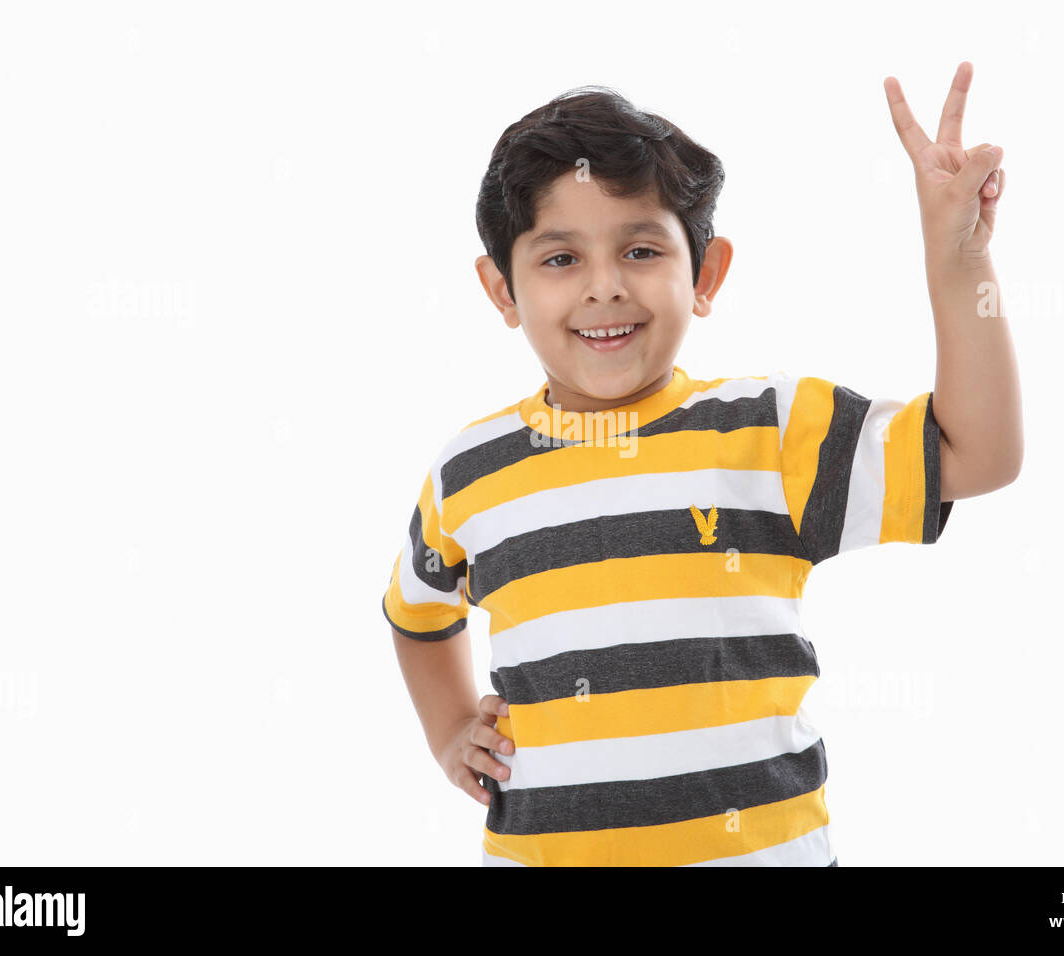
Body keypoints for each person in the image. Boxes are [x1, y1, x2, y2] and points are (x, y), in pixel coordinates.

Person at [382, 65, 1022, 866]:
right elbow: (418, 611)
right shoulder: (468, 473)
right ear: (501, 289)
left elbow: (980, 454)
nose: (605, 287)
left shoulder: (772, 432)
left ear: (707, 274)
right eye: (558, 260)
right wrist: (448, 733)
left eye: (642, 249)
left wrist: (960, 262)